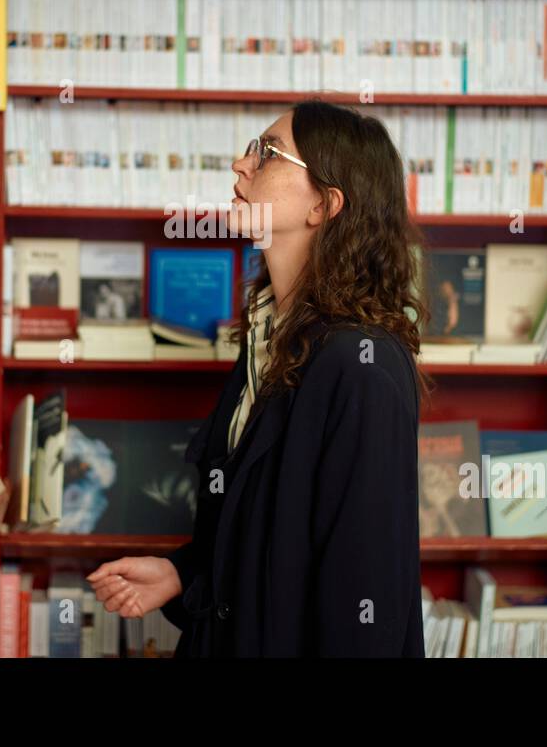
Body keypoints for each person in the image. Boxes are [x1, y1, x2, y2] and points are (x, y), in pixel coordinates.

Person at [86, 99, 431, 657]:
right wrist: (181, 574)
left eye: (266, 153)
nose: (239, 165)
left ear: (324, 203)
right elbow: (263, 534)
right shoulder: (268, 336)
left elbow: (365, 599)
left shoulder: (362, 366)